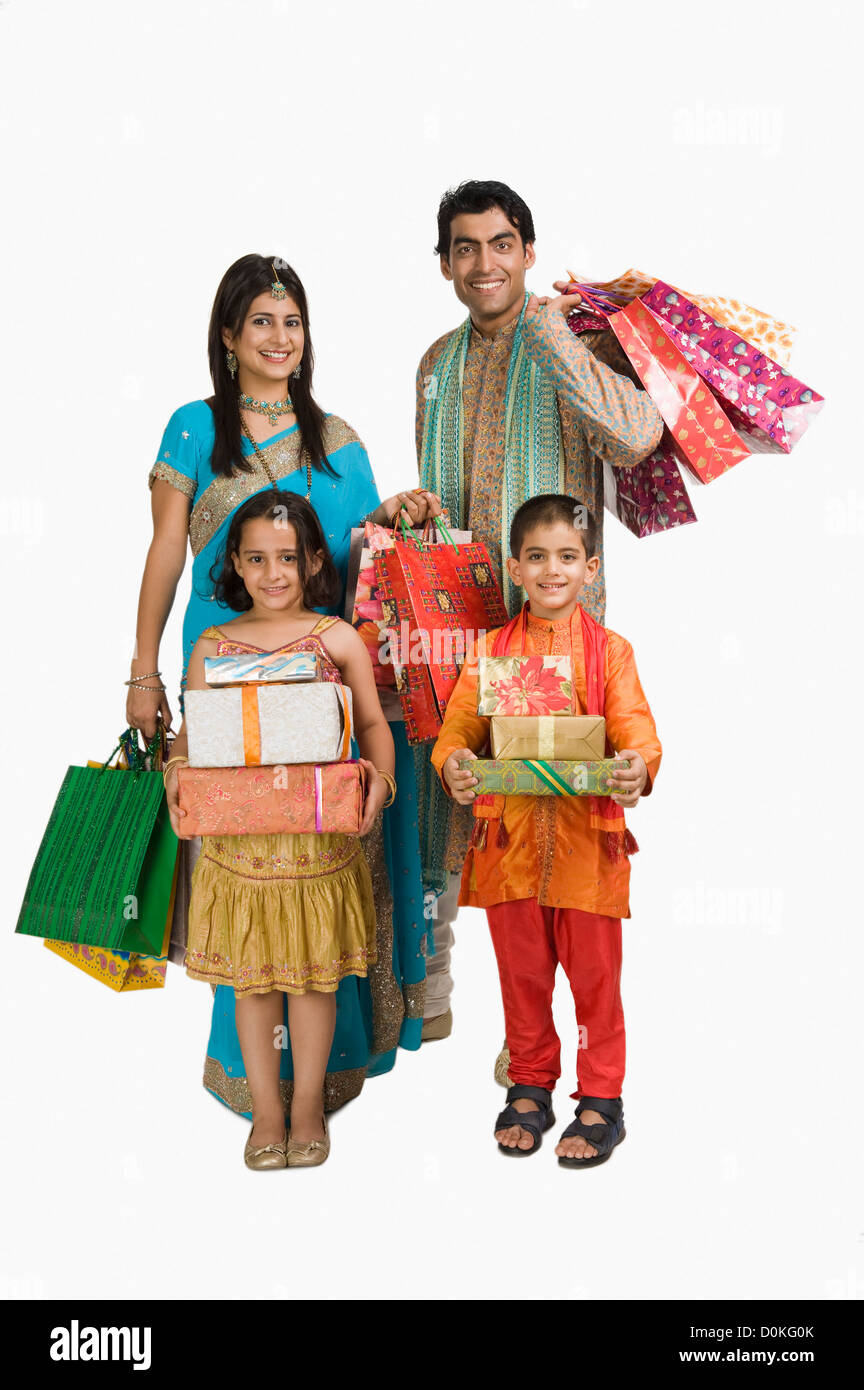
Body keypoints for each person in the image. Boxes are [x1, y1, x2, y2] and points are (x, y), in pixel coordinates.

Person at [128, 253, 433, 1121]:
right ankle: (254, 1084)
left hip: (321, 682)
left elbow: (357, 555)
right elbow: (162, 554)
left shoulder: (337, 437)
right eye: (260, 320)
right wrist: (143, 668)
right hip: (221, 677)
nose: (278, 336)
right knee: (243, 869)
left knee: (322, 867)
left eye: (291, 319)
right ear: (228, 337)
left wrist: (396, 515)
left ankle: (325, 1079)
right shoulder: (195, 427)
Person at [414, 180, 664, 1043]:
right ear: (445, 262)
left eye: (500, 243)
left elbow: (637, 437)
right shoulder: (435, 364)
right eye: (465, 248)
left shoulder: (573, 337)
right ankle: (449, 992)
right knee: (456, 793)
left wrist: (557, 334)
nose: (484, 263)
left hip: (552, 634)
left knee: (548, 812)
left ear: (527, 249)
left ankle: (568, 1043)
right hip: (454, 625)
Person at [165, 492, 395, 1168]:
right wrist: (176, 771)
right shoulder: (213, 645)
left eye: (288, 559)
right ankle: (266, 1111)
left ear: (315, 560)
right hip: (242, 853)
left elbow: (375, 724)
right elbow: (193, 733)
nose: (273, 574)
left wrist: (378, 779)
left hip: (319, 845)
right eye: (257, 559)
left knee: (315, 981)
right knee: (253, 981)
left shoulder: (336, 638)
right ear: (235, 562)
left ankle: (306, 1109)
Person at [431, 494, 662, 1165]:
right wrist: (456, 765)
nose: (552, 570)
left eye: (567, 557)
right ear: (515, 567)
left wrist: (635, 767)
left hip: (589, 849)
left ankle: (601, 1098)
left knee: (596, 981)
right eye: (537, 557)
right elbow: (458, 732)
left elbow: (638, 733)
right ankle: (530, 1085)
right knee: (522, 976)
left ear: (590, 569)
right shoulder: (491, 653)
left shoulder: (611, 653)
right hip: (509, 850)